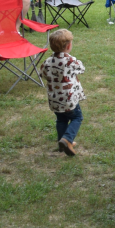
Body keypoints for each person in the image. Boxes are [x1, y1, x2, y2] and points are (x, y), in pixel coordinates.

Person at [40, 29, 85, 157]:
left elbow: (42, 73)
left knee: (61, 119)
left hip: (55, 99)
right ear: (68, 46)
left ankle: (62, 142)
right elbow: (81, 68)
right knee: (77, 117)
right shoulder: (70, 61)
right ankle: (67, 139)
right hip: (69, 98)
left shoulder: (48, 61)